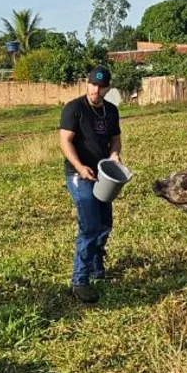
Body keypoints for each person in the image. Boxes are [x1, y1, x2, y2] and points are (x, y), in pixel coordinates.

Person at [59, 65, 122, 302]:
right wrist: (79, 166)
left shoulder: (111, 111)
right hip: (79, 174)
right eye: (92, 84)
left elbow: (115, 140)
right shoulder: (74, 109)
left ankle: (97, 269)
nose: (95, 90)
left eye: (100, 86)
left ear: (107, 88)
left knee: (105, 223)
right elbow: (65, 141)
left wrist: (114, 155)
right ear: (87, 84)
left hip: (103, 175)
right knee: (90, 226)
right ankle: (79, 280)